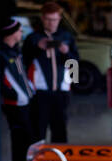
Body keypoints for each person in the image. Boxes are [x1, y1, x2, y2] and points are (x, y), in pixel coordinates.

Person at [24, 2, 78, 144]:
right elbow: (24, 62)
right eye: (48, 19)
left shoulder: (66, 37)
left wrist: (67, 52)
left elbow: (75, 63)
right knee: (38, 130)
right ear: (42, 19)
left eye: (54, 19)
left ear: (60, 18)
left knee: (60, 130)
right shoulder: (33, 38)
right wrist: (37, 48)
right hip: (40, 93)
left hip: (61, 92)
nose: (51, 23)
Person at [0, 18, 36, 161]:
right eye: (20, 30)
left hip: (26, 102)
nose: (22, 33)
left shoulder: (16, 51)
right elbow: (2, 82)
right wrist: (14, 96)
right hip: (14, 105)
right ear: (12, 33)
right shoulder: (2, 55)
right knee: (19, 139)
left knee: (29, 139)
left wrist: (30, 89)